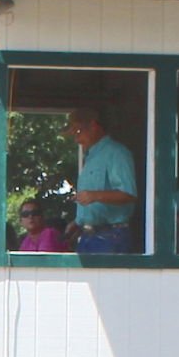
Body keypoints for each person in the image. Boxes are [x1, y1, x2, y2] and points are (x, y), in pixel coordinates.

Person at [65, 108, 137, 254]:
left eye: (78, 132)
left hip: (111, 235)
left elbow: (128, 194)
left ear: (93, 126)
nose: (77, 140)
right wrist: (78, 221)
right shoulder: (90, 157)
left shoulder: (116, 153)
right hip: (88, 235)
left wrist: (94, 195)